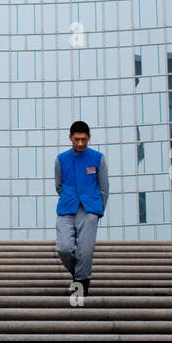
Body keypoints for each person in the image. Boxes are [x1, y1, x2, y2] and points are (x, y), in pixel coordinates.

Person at [54, 121, 108, 295]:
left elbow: (104, 188)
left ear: (89, 138)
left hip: (90, 210)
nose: (80, 143)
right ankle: (80, 274)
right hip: (67, 208)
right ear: (70, 138)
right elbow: (59, 185)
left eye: (84, 139)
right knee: (63, 248)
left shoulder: (98, 158)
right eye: (76, 139)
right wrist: (69, 197)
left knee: (85, 250)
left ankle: (81, 285)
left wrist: (97, 210)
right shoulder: (61, 159)